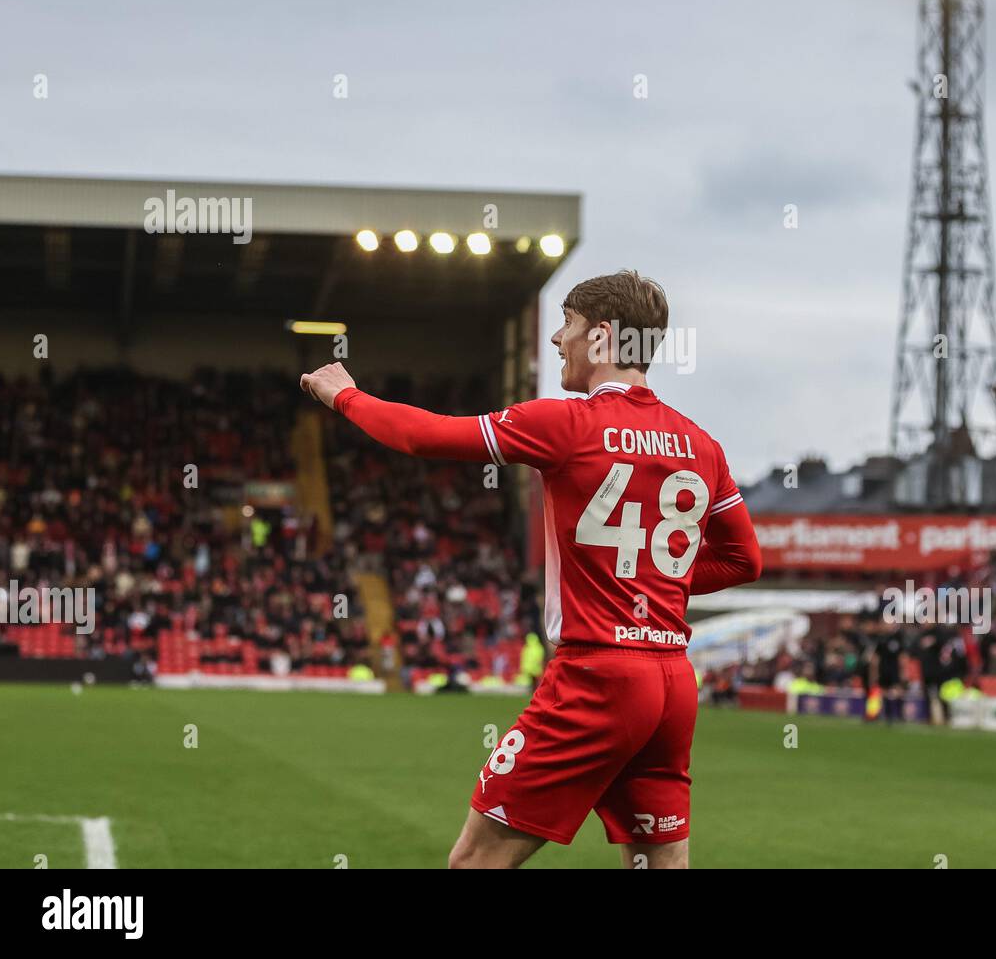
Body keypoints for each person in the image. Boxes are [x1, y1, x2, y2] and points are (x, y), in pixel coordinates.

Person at [300, 270, 761, 869]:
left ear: (600, 337)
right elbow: (744, 560)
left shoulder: (566, 424)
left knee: (474, 863)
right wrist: (651, 583)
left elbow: (425, 437)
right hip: (673, 683)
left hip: (598, 679)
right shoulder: (703, 445)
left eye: (565, 325)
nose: (556, 340)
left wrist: (345, 395)